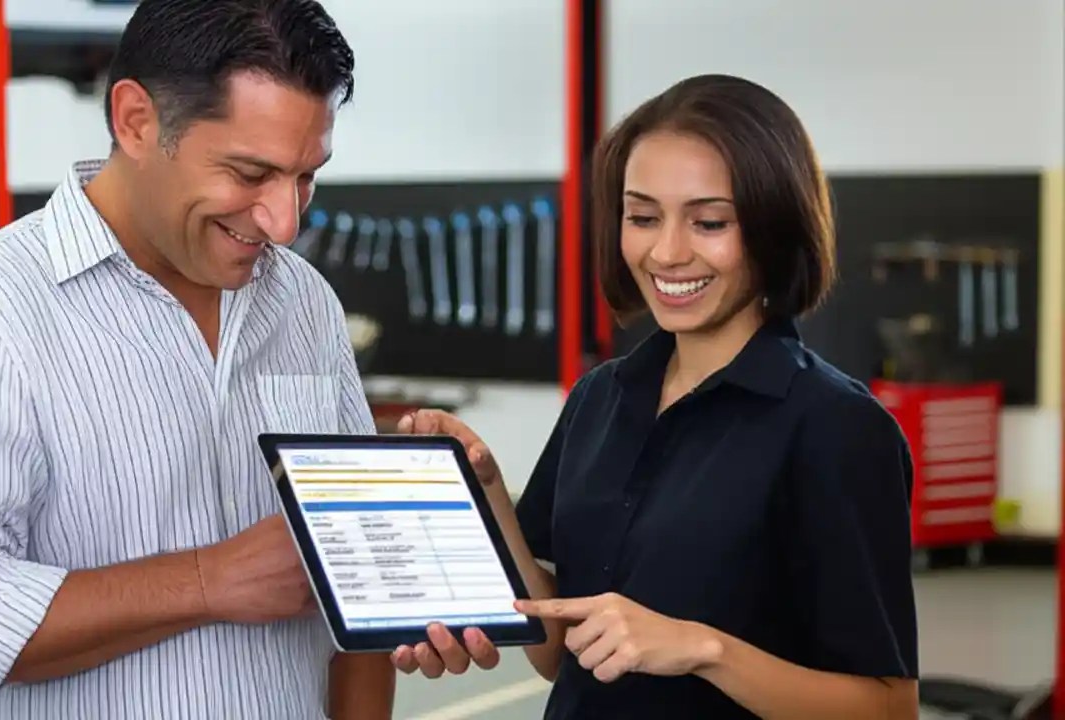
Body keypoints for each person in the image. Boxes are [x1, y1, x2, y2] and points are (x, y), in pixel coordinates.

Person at [0, 1, 394, 718]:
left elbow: (357, 599)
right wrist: (207, 580)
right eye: (250, 173)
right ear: (137, 122)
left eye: (307, 176)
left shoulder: (304, 303)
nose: (285, 221)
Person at [392, 74, 920, 719]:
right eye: (642, 217)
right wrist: (491, 496)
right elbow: (560, 652)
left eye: (709, 221)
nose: (668, 253)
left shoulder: (837, 427)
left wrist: (703, 649)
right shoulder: (600, 399)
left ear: (774, 227)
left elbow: (888, 709)